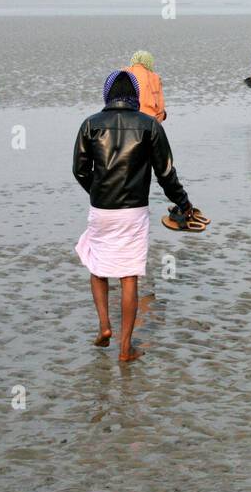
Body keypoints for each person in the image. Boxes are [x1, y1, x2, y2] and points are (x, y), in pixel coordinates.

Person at [73, 70, 197, 362]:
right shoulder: (149, 126)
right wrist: (184, 203)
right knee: (129, 277)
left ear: (107, 94)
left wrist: (98, 192)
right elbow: (166, 173)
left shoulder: (90, 124)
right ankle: (125, 349)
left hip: (101, 209)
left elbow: (79, 170)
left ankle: (105, 326)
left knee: (96, 265)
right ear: (135, 96)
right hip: (134, 210)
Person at [127, 50, 167, 122]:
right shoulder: (155, 78)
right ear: (150, 63)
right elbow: (160, 109)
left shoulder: (122, 73)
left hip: (125, 120)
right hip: (148, 121)